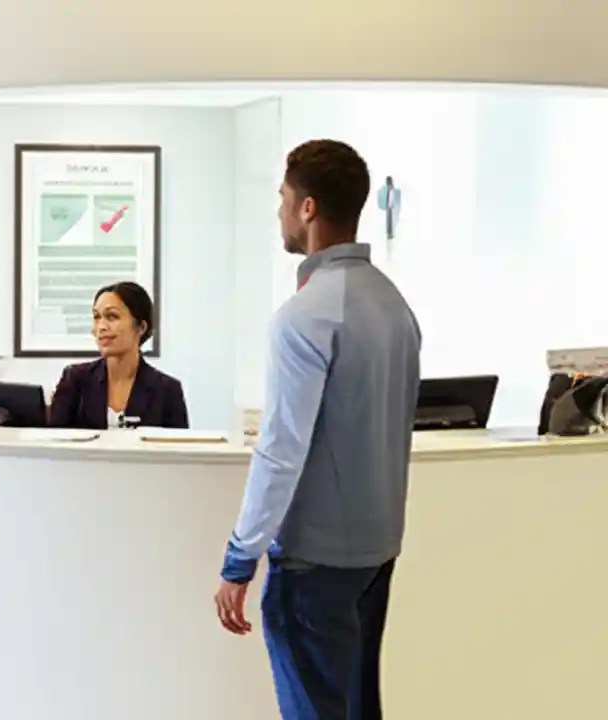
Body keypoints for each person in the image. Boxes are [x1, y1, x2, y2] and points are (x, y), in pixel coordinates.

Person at [213, 140, 421, 719]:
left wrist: (239, 558)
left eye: (282, 197)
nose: (279, 210)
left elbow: (281, 451)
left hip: (314, 565)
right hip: (376, 555)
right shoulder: (394, 305)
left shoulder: (305, 316)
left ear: (307, 208)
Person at [48, 281, 189, 429]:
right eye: (97, 317)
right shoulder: (74, 379)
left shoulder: (167, 390)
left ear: (141, 327)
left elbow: (178, 449)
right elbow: (52, 444)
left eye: (112, 316)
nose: (101, 327)